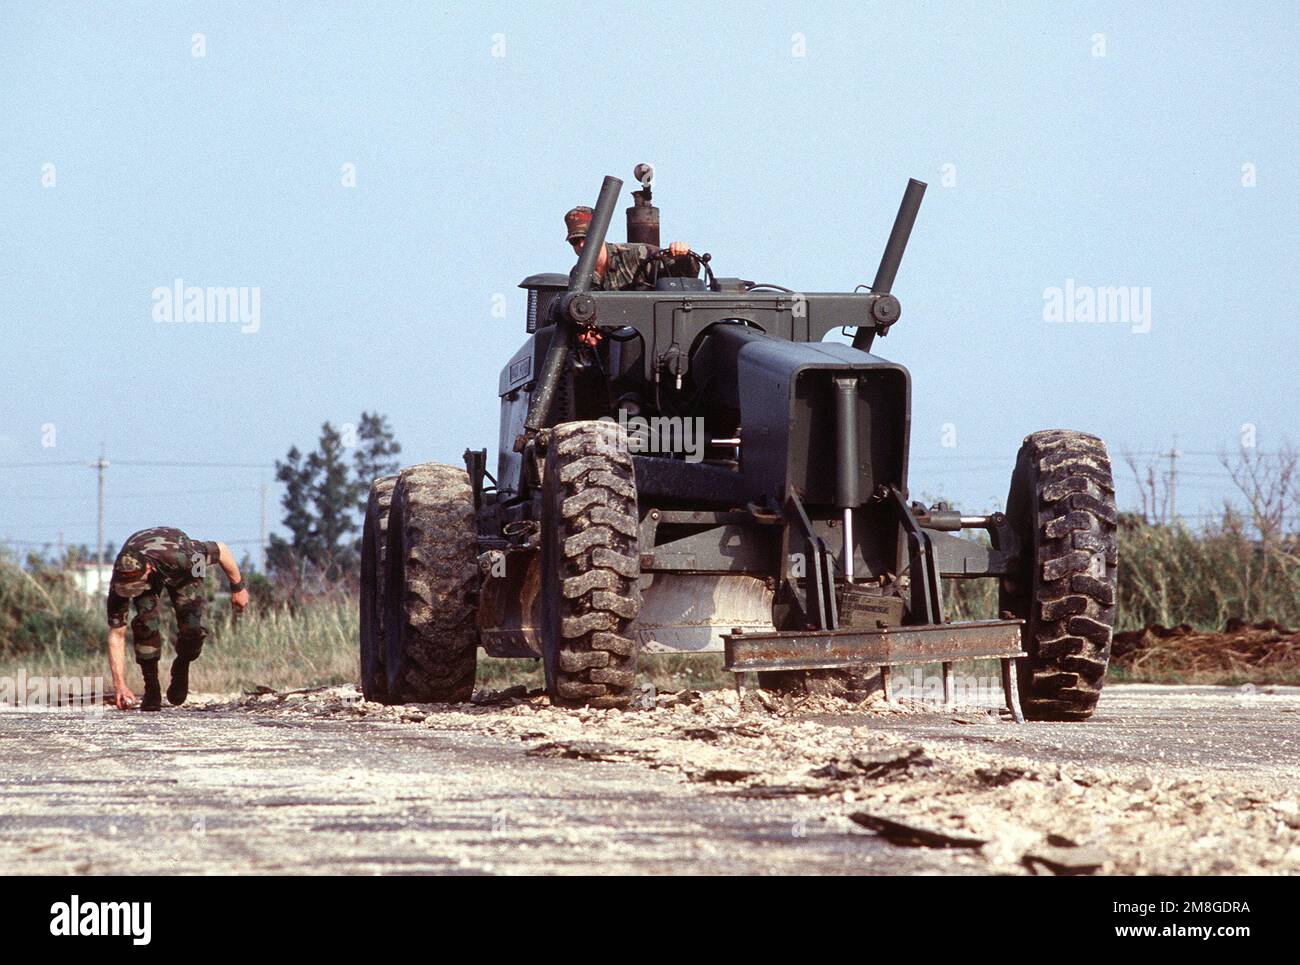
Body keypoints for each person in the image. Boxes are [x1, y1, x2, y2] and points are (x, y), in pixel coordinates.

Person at [105, 527, 250, 711]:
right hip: (149, 570)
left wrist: (238, 588)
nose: (131, 592)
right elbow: (116, 635)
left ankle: (182, 663)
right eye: (128, 588)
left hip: (182, 569)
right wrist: (120, 686)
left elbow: (221, 549)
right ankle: (151, 687)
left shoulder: (185, 555)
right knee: (145, 623)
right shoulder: (121, 578)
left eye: (135, 586)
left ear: (148, 569)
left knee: (192, 628)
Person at [564, 205, 699, 292]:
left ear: (599, 236)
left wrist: (683, 256)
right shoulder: (577, 275)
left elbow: (685, 278)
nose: (581, 245)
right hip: (609, 336)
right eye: (575, 241)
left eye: (586, 239)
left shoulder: (639, 255)